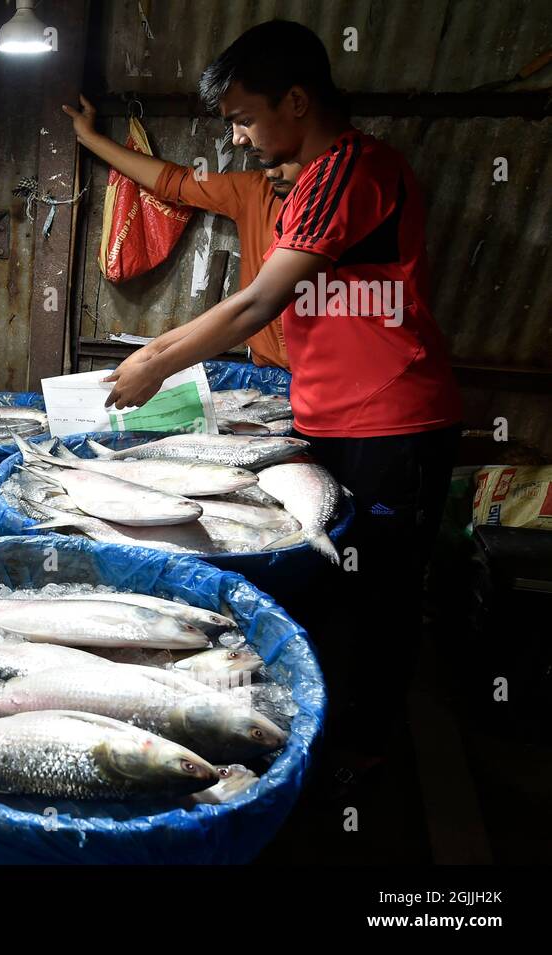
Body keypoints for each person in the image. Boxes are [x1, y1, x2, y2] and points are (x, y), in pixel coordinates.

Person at [101, 21, 462, 780]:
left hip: (393, 420)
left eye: (241, 117)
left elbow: (255, 305)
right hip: (336, 413)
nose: (236, 138)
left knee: (383, 589)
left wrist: (156, 363)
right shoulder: (318, 177)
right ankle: (323, 724)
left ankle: (362, 753)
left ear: (295, 99)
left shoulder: (346, 171)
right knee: (338, 576)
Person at [63, 93, 300, 368]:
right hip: (269, 371)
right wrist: (91, 139)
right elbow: (175, 181)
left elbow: (256, 305)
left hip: (327, 379)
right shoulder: (256, 189)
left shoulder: (340, 199)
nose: (273, 171)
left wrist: (157, 363)